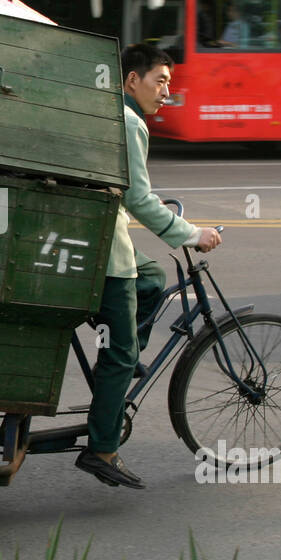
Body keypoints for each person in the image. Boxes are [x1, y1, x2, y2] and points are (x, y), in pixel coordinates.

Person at [75, 44, 222, 490]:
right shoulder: (130, 121)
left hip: (87, 233)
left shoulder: (103, 111)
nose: (166, 92)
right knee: (120, 352)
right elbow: (139, 199)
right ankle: (101, 449)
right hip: (104, 250)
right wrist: (192, 233)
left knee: (154, 278)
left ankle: (124, 359)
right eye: (159, 81)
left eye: (169, 84)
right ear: (130, 80)